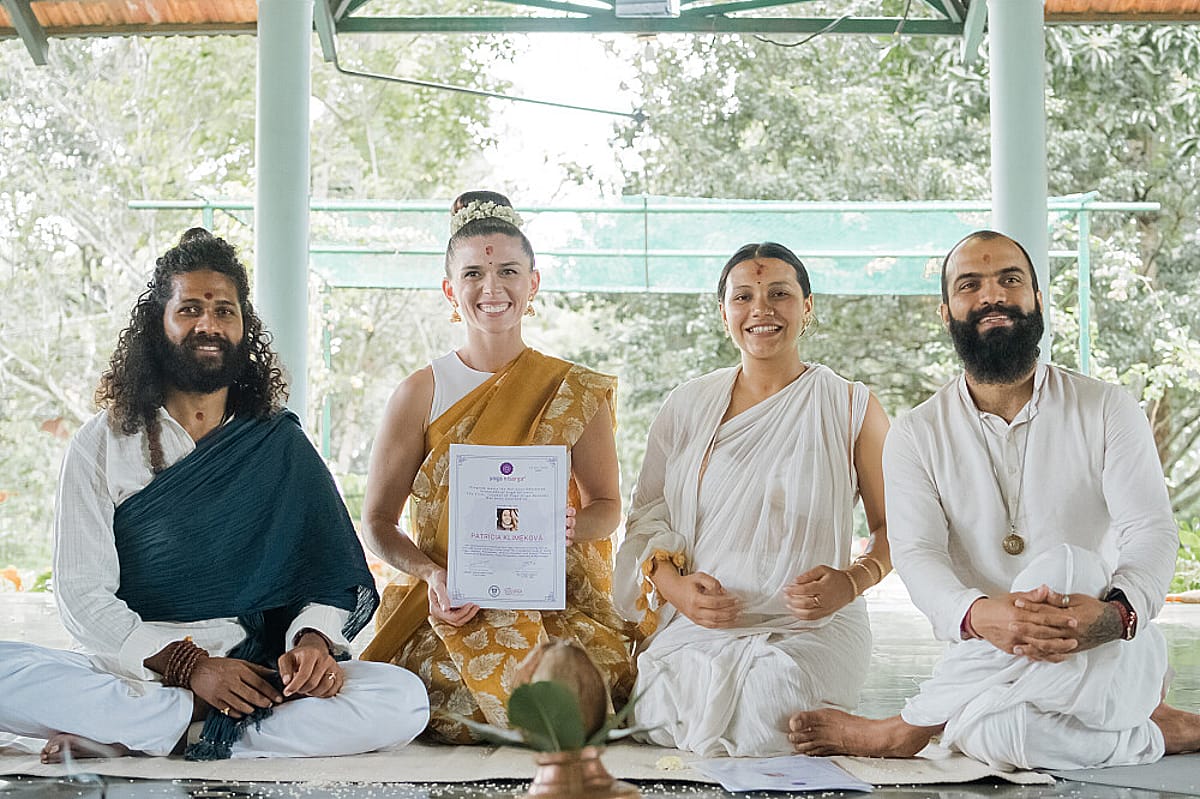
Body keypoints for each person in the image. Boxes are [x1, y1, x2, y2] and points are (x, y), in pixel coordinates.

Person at [0, 228, 428, 763]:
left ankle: (151, 735)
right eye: (190, 309)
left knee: (404, 700)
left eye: (225, 310)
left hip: (252, 669)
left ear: (244, 329)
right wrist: (192, 670)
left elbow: (328, 573)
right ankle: (190, 726)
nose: (209, 324)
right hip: (138, 668)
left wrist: (312, 645)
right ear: (157, 327)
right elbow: (82, 597)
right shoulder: (102, 442)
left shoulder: (278, 443)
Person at [789, 230, 1200, 768]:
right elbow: (918, 554)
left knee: (1067, 566)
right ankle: (1159, 727)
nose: (992, 296)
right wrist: (983, 616)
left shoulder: (1106, 408)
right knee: (1005, 737)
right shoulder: (916, 433)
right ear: (946, 312)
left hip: (1103, 649)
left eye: (1010, 280)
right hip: (986, 651)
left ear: (1036, 301)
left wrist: (1112, 616)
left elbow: (1149, 530)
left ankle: (909, 728)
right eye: (970, 284)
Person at [359, 191, 634, 742]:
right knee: (418, 699)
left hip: (550, 602)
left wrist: (574, 525)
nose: (492, 288)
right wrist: (433, 576)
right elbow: (379, 523)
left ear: (533, 284)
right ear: (450, 290)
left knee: (586, 691)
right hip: (451, 606)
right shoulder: (420, 392)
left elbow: (608, 506)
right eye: (473, 273)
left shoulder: (572, 390)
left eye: (508, 270)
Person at [613, 242, 892, 757]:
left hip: (813, 624)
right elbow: (647, 517)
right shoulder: (686, 405)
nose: (761, 309)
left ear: (807, 308)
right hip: (701, 624)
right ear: (724, 315)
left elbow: (893, 530)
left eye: (779, 294)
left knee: (773, 705)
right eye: (743, 296)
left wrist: (851, 581)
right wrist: (676, 590)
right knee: (656, 704)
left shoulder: (851, 405)